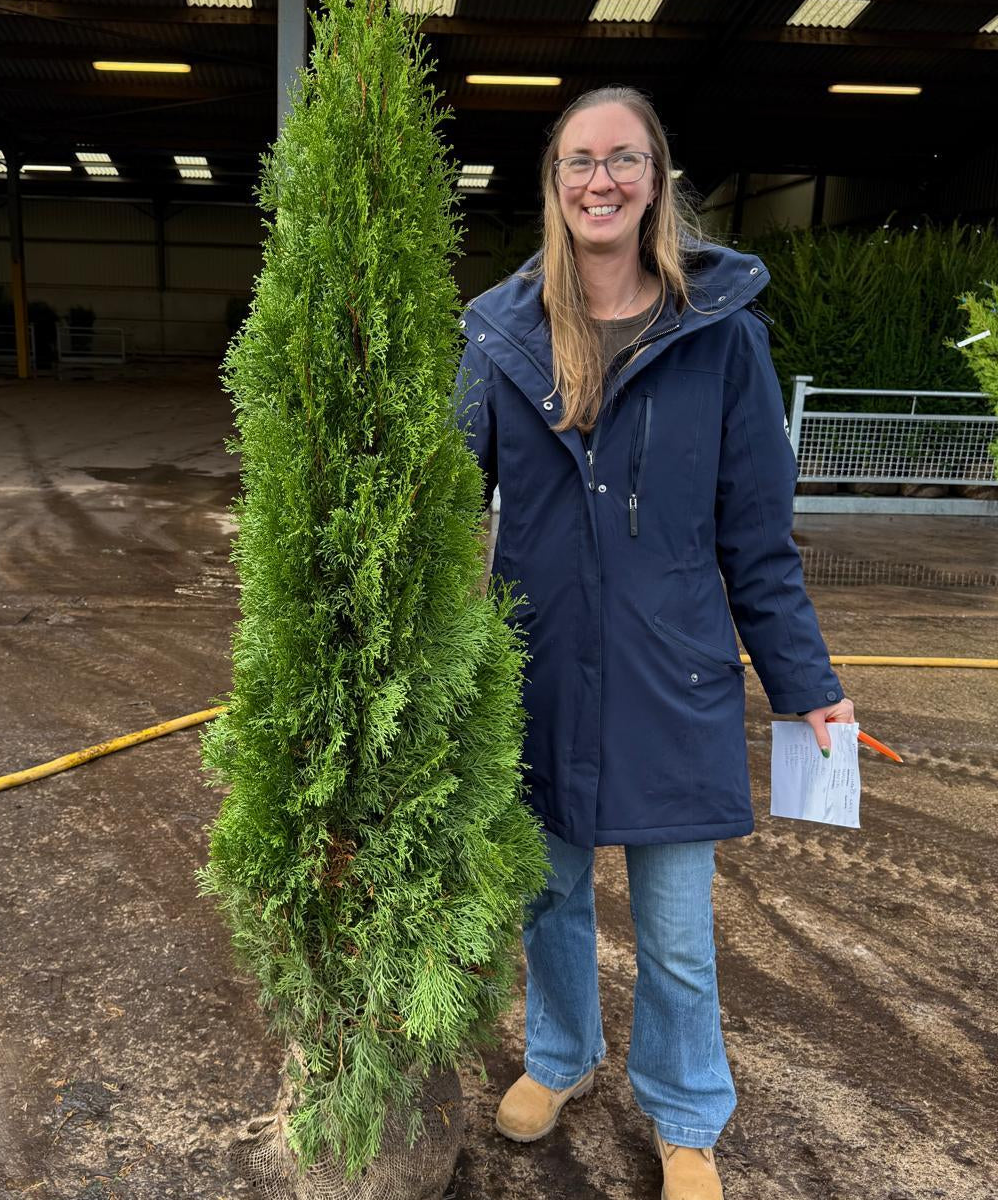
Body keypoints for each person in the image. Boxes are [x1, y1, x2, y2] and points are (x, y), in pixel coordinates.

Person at [454, 87, 854, 1200]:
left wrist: (806, 688)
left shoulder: (723, 341)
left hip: (671, 676)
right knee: (550, 899)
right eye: (578, 162)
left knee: (678, 933)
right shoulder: (501, 335)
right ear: (553, 184)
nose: (600, 181)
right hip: (535, 674)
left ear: (657, 179)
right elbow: (446, 512)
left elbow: (759, 543)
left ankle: (686, 1118)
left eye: (623, 160)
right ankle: (561, 1057)